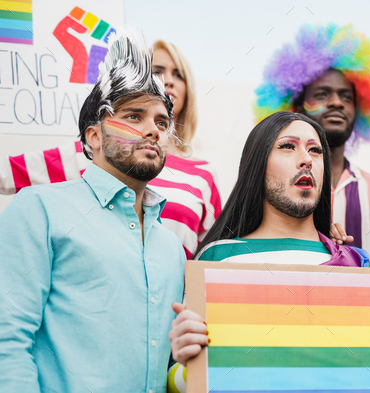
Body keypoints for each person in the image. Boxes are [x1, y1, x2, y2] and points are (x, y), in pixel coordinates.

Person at [166, 112, 370, 393]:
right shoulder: (217, 259)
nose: (307, 159)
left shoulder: (361, 266)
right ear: (257, 163)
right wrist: (186, 362)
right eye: (288, 146)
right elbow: (181, 381)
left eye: (315, 150)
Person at [0, 29, 185, 392]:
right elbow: (7, 337)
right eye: (134, 116)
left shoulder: (171, 248)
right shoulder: (40, 209)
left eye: (161, 122)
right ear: (93, 136)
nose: (152, 130)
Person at [0, 39, 221, 259]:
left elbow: (209, 256)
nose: (169, 81)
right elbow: (7, 173)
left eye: (178, 74)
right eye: (158, 71)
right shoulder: (92, 149)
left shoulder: (204, 174)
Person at [253, 23, 370, 261]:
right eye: (322, 95)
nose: (337, 102)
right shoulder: (268, 187)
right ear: (296, 107)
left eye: (346, 96)